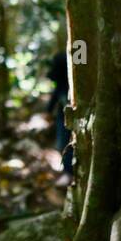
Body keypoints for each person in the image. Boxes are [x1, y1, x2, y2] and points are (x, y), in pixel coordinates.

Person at [47, 48, 74, 186]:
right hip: (62, 113)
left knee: (66, 143)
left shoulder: (69, 81)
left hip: (67, 114)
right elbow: (56, 91)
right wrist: (48, 110)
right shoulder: (64, 81)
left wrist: (48, 110)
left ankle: (69, 174)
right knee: (65, 143)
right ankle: (68, 172)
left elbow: (56, 91)